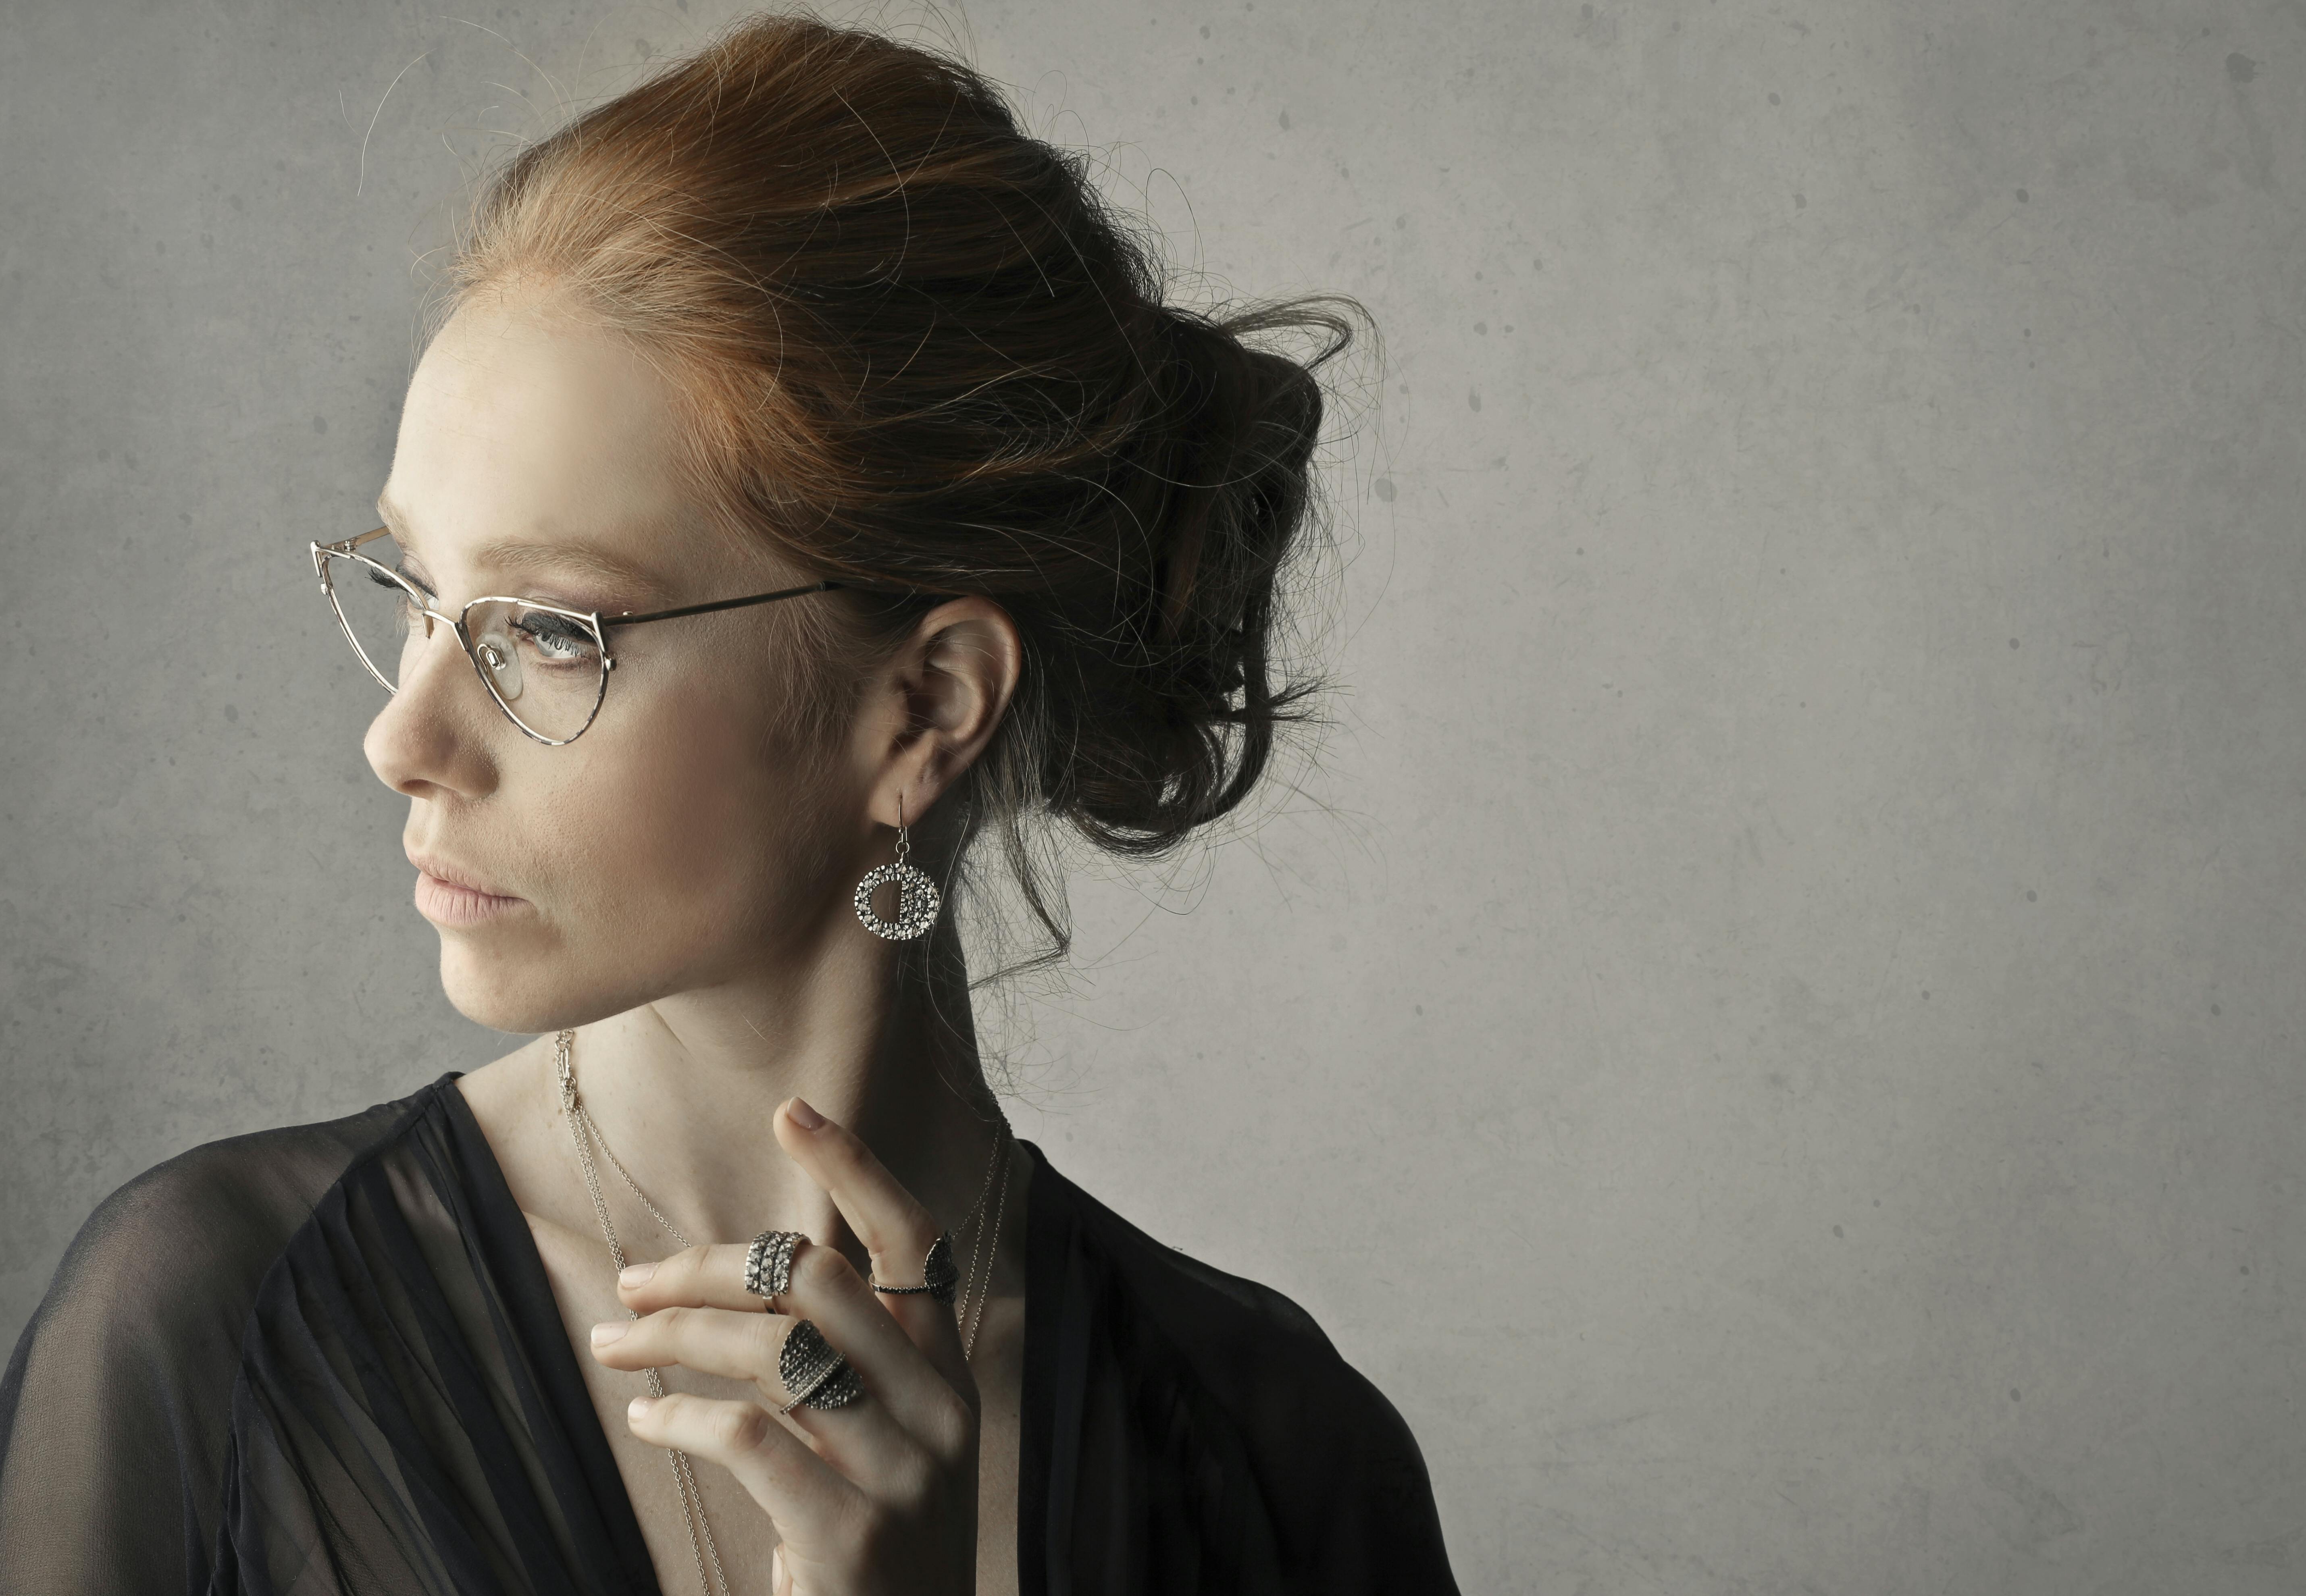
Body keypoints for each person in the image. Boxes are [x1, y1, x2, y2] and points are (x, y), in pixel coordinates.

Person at [0, 13, 1457, 1594]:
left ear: (924, 708)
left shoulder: (1272, 1464)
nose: (398, 736)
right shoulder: (209, 1324)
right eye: (418, 592)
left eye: (548, 632)